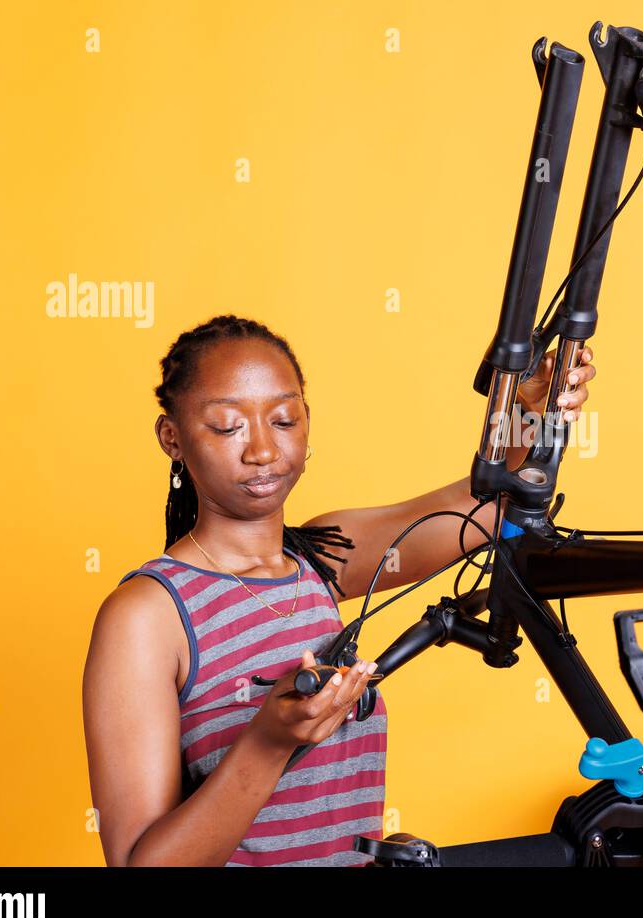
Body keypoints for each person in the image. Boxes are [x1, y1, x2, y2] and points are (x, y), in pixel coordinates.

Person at [81, 314, 596, 866]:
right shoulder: (147, 615)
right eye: (228, 426)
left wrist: (528, 411)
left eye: (283, 420)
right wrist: (269, 743)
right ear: (172, 437)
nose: (261, 450)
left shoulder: (321, 560)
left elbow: (490, 507)